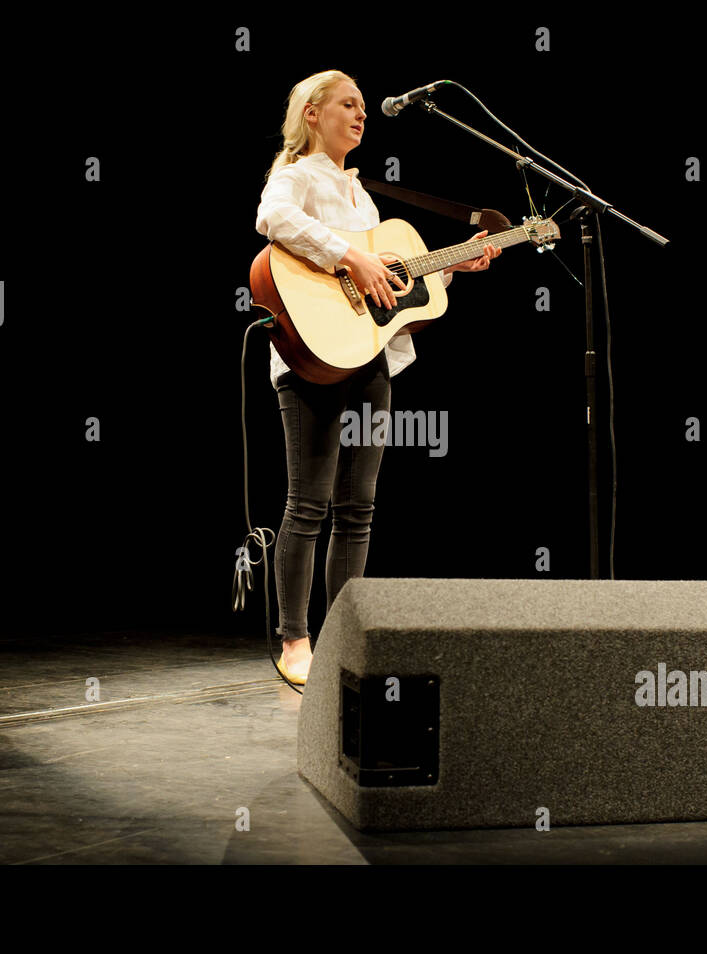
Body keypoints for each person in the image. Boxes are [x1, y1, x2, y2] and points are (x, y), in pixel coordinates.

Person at [255, 69, 500, 685]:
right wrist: (350, 255)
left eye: (363, 106)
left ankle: (343, 633)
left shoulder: (363, 196)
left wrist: (452, 269)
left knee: (358, 505)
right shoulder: (296, 176)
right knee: (307, 502)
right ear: (313, 113)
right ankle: (293, 639)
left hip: (368, 356)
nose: (361, 114)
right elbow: (273, 219)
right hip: (310, 353)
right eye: (349, 104)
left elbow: (387, 294)